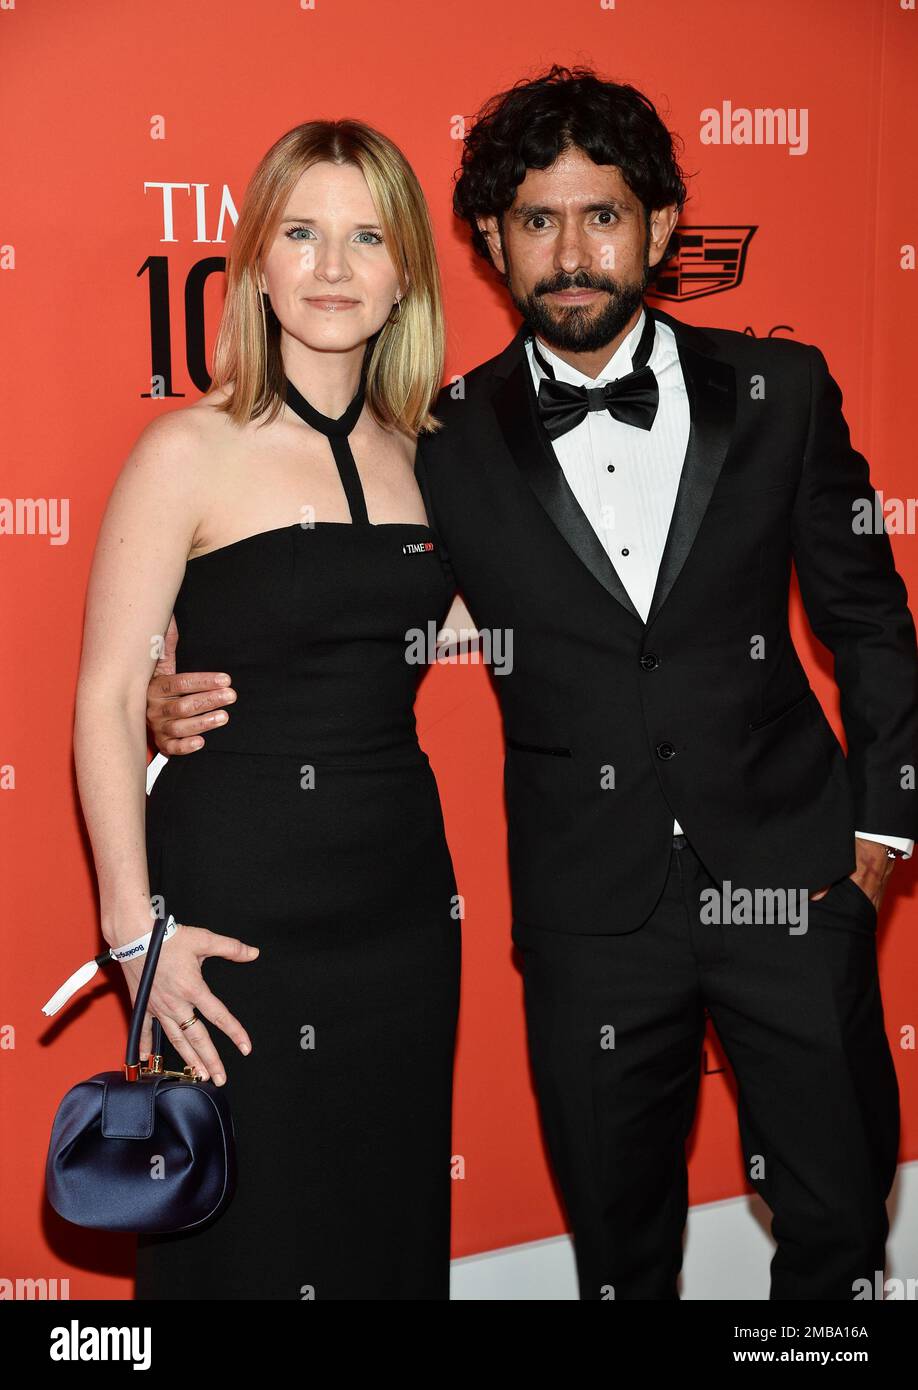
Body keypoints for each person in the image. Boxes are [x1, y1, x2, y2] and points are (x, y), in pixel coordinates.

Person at [146, 68, 918, 1300]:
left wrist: (874, 855)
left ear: (659, 228)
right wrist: (165, 691)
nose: (571, 251)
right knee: (621, 1254)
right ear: (493, 243)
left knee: (835, 1231)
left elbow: (873, 625)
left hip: (794, 886)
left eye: (601, 215)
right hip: (587, 922)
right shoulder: (443, 440)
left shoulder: (783, 392)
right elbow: (335, 603)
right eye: (536, 220)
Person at [73, 119, 468, 1300]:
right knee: (240, 1240)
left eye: (366, 237)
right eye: (302, 233)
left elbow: (484, 636)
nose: (334, 266)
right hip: (233, 915)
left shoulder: (439, 458)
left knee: (381, 1232)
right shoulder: (187, 449)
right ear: (253, 262)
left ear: (406, 272)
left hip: (401, 911)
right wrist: (134, 938)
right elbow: (103, 696)